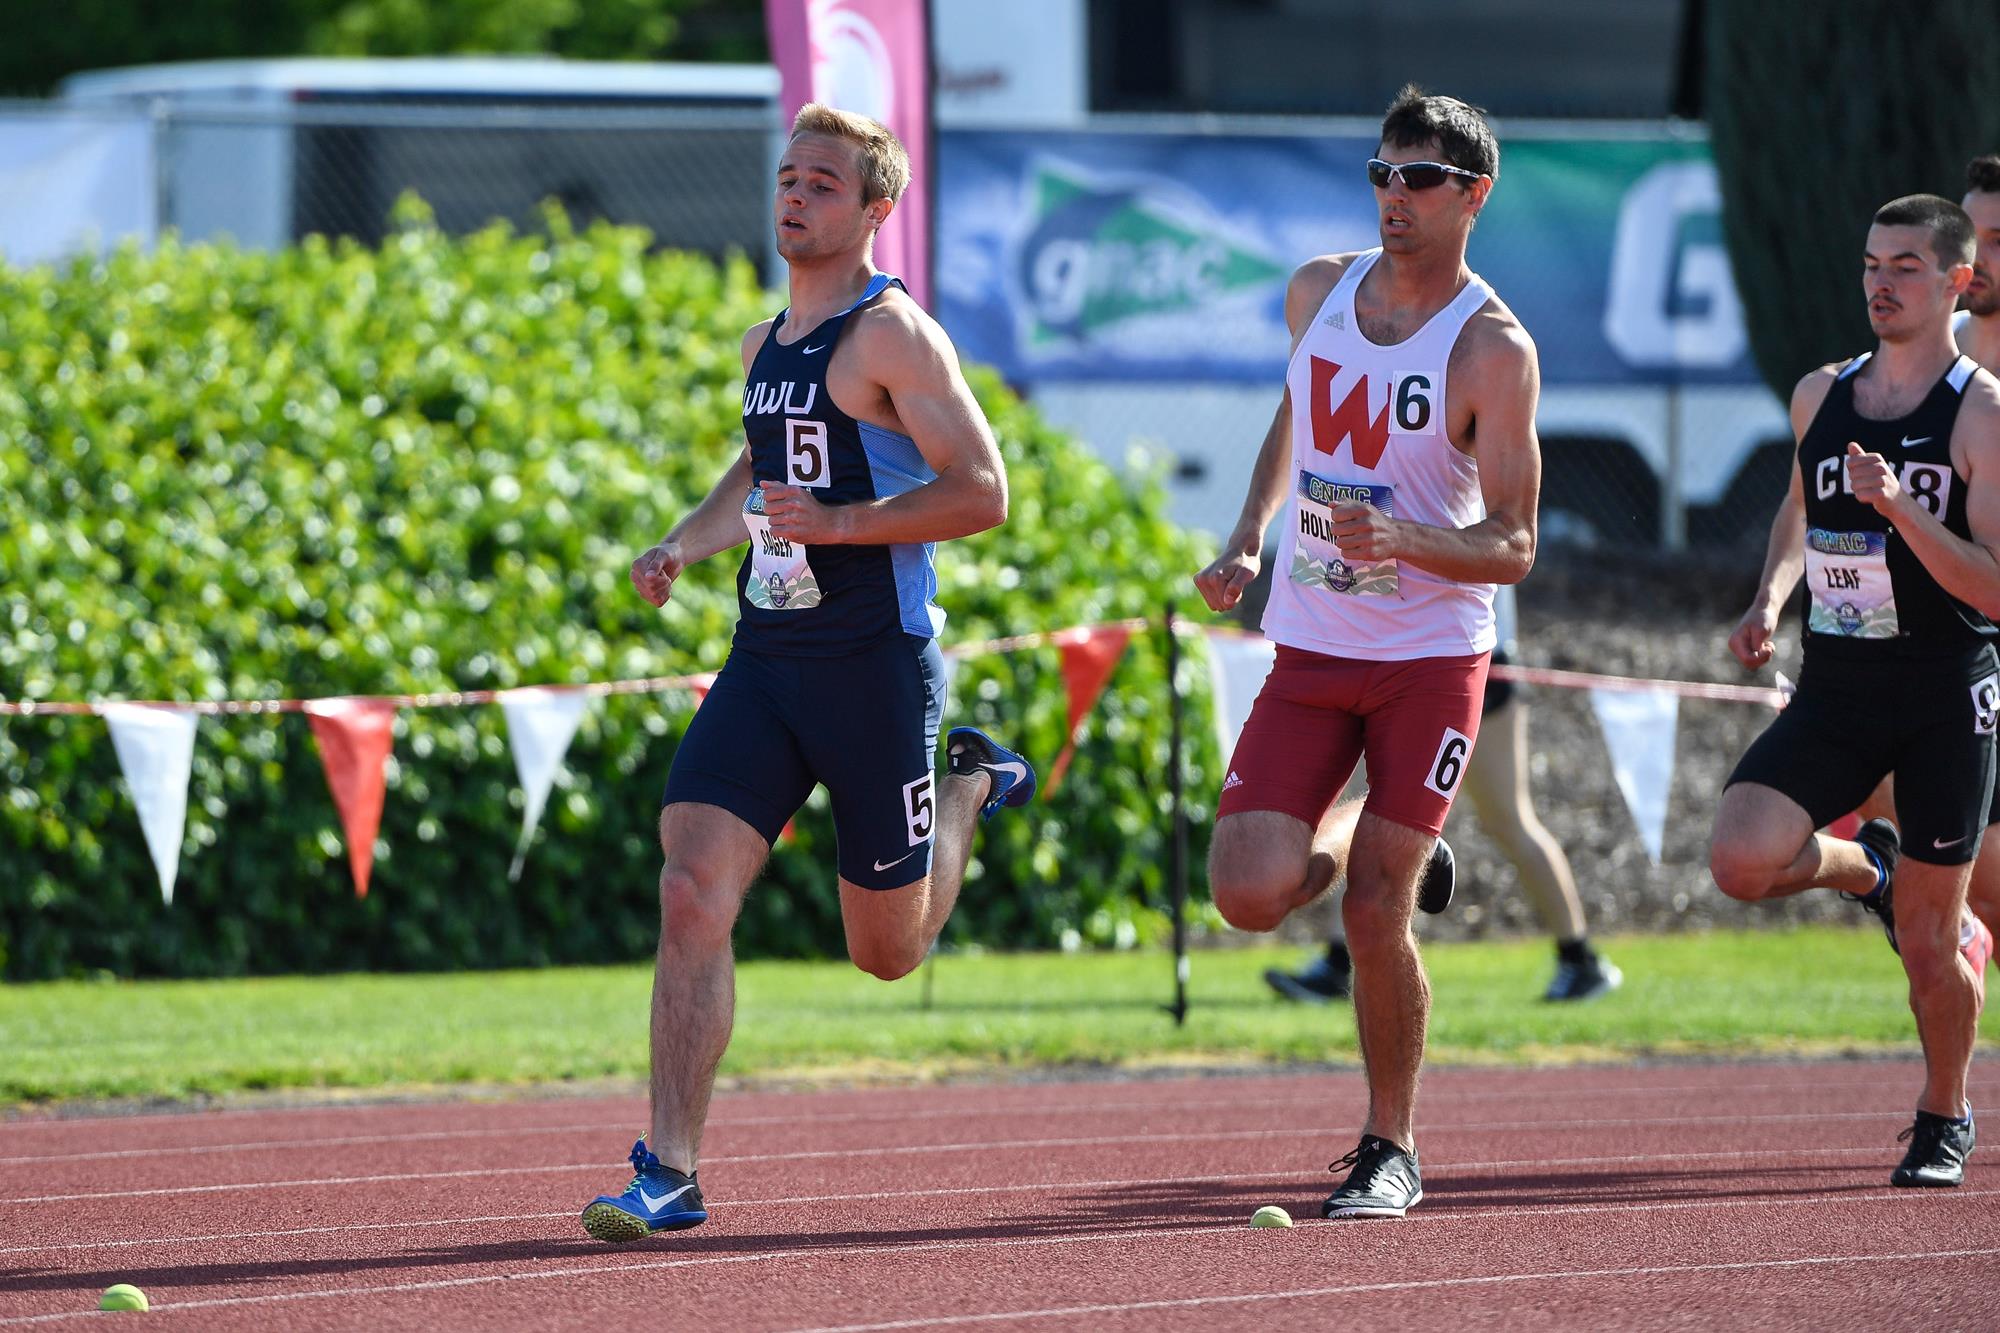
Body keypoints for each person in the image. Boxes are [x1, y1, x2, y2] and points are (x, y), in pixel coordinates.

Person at [581, 103, 1034, 1241]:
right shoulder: (766, 340)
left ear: (877, 209)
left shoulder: (893, 337)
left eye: (823, 184)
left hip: (875, 664)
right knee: (689, 884)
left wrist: (836, 524)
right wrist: (685, 541)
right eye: (787, 178)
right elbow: (760, 465)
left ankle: (970, 787)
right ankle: (669, 1170)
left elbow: (981, 492)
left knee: (885, 954)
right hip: (766, 657)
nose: (795, 198)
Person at [1193, 86, 1541, 1220]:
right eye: (1381, 173)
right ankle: (1370, 827)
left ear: (1471, 196)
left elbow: (1514, 543)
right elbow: (1293, 414)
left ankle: (1387, 1146)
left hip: (1427, 658)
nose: (1394, 196)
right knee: (1246, 893)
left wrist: (1406, 537)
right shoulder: (1316, 290)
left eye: (1419, 179)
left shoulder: (1490, 347)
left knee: (1371, 908)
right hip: (1309, 639)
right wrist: (1248, 532)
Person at [1714, 193, 2000, 1189]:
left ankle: (1942, 1109)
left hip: (1940, 691)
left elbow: (1994, 586)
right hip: (1836, 682)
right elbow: (1799, 507)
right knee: (1738, 856)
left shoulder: (1979, 412)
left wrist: (1898, 509)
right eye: (1871, 265)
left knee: (1931, 945)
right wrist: (1768, 597)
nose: (1880, 283)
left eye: (1905, 267)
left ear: (1956, 283)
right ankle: (1861, 872)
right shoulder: (1818, 394)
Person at [1264, 588, 1622, 1005]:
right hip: (1405, 656)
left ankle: (1580, 958)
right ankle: (1339, 961)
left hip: (1470, 661)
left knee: (1507, 818)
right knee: (1371, 808)